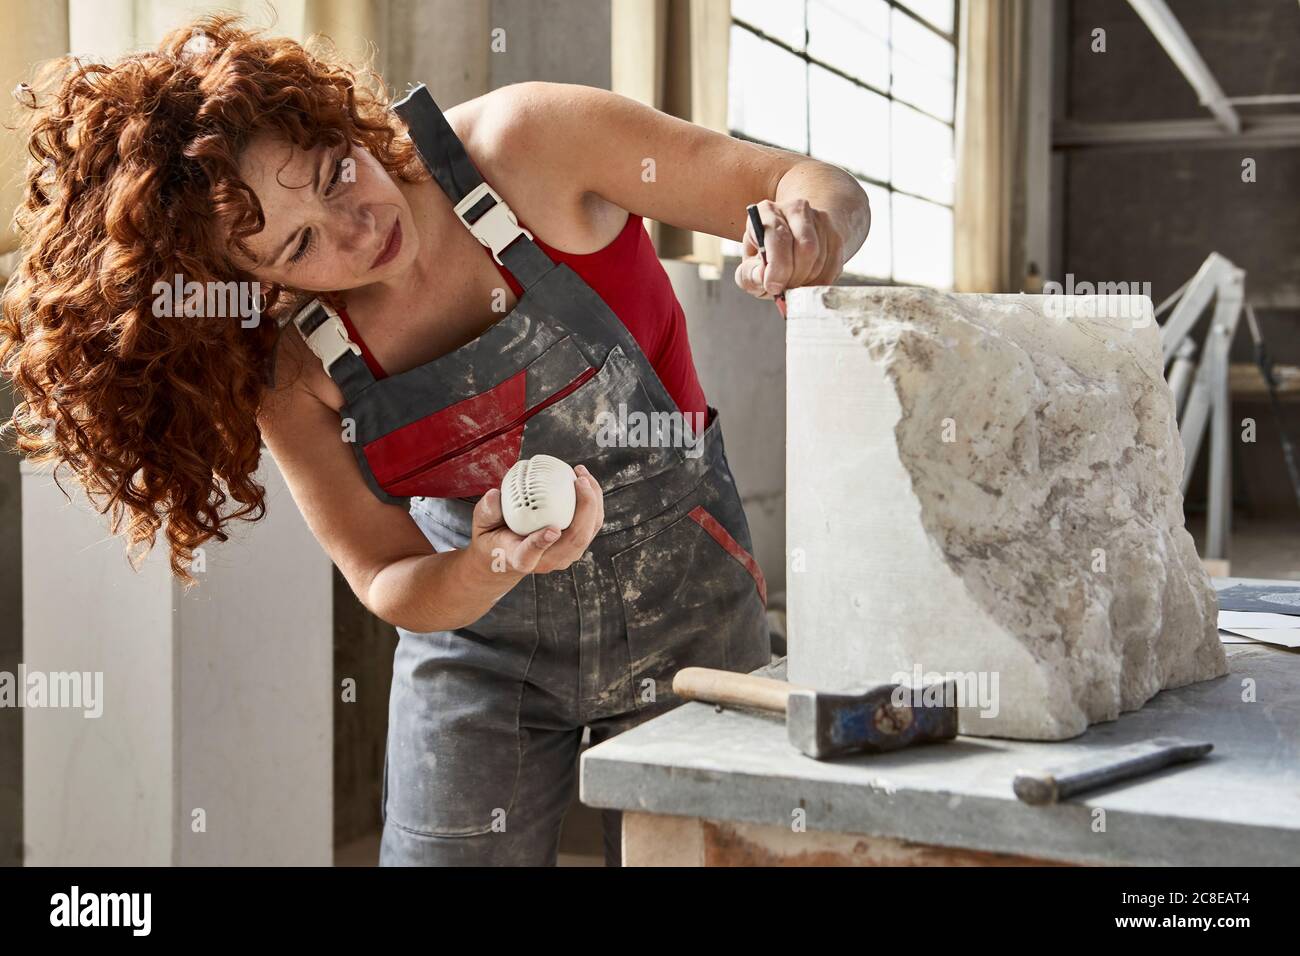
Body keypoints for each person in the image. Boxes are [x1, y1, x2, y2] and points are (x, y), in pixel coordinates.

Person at [1, 14, 870, 866]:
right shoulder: (295, 368)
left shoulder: (528, 145)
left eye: (337, 171)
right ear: (252, 286)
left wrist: (810, 233)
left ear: (336, 114)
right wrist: (486, 565)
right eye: (299, 244)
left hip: (694, 615)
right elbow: (383, 571)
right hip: (480, 651)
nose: (356, 227)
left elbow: (812, 181)